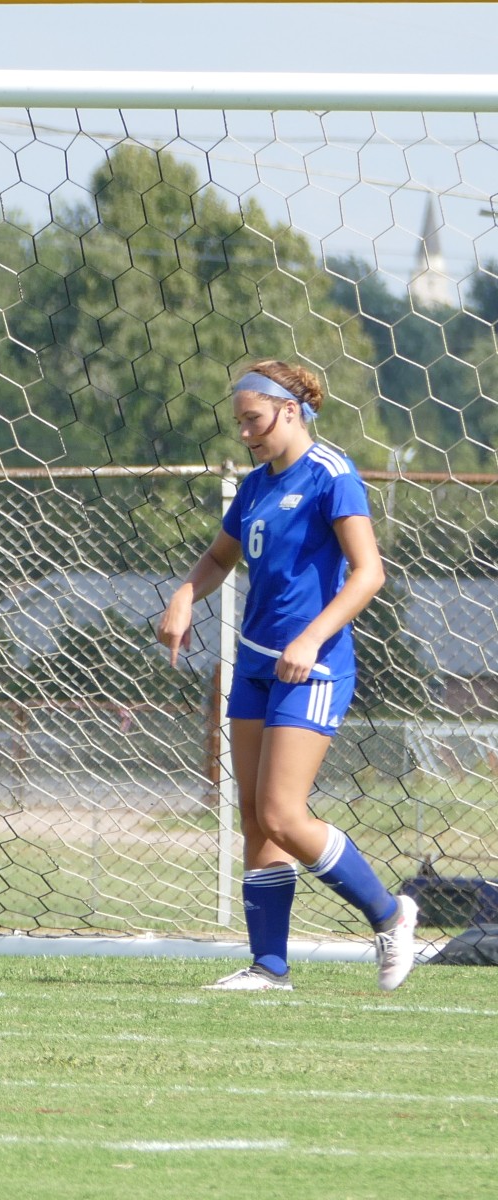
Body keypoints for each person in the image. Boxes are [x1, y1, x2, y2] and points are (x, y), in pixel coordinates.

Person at [158, 360, 417, 992]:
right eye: (239, 421)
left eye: (253, 419)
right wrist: (186, 594)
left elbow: (369, 573)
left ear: (290, 410)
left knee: (282, 813)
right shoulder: (254, 487)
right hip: (253, 664)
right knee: (254, 815)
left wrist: (310, 636)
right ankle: (270, 967)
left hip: (314, 666)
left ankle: (389, 912)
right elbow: (219, 558)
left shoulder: (333, 475)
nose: (244, 432)